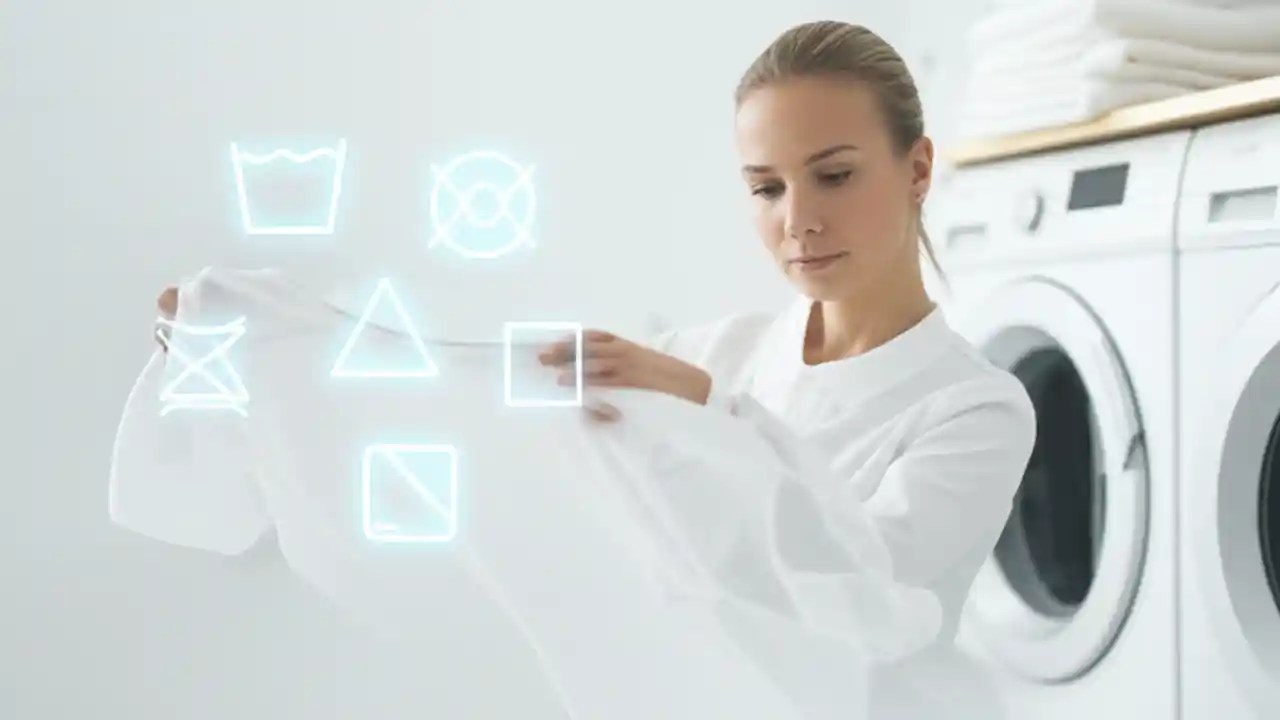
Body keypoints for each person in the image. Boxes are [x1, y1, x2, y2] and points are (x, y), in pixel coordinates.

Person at [152, 20, 1036, 719]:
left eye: (833, 176)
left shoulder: (976, 408)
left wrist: (711, 409)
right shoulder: (720, 351)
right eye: (766, 187)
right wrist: (272, 345)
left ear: (918, 168)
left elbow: (869, 589)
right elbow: (486, 392)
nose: (797, 219)